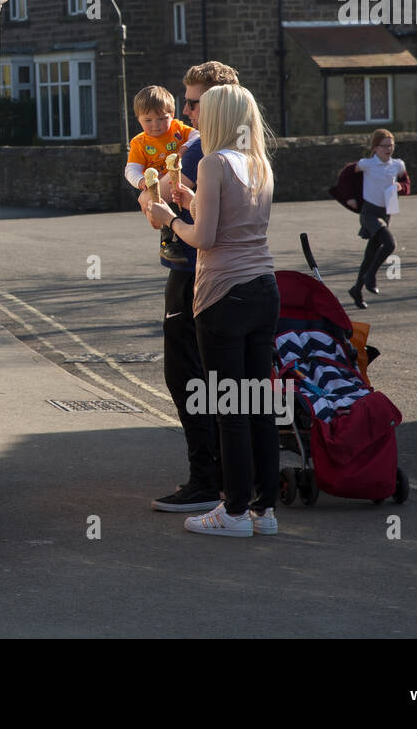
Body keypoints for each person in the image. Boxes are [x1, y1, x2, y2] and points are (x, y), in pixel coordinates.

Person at [148, 84, 279, 537]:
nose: (194, 115)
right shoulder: (258, 163)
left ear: (219, 115)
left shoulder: (212, 162)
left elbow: (203, 238)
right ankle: (265, 509)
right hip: (264, 286)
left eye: (202, 108)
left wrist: (169, 217)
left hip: (223, 292)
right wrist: (188, 202)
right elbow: (230, 219)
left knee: (229, 404)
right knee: (258, 402)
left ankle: (234, 511)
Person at [142, 61, 239, 513]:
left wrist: (161, 208)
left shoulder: (203, 154)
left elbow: (157, 202)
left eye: (193, 102)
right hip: (233, 278)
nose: (184, 110)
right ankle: (232, 483)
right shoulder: (244, 150)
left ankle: (206, 481)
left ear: (216, 103)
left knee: (187, 377)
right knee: (224, 380)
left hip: (193, 276)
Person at [124, 85, 193, 263]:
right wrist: (140, 182)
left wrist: (186, 146)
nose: (155, 125)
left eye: (162, 118)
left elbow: (199, 136)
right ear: (138, 119)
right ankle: (167, 243)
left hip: (178, 183)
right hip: (156, 186)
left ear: (172, 113)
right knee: (163, 215)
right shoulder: (139, 143)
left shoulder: (178, 129)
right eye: (148, 120)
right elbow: (131, 168)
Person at [346, 129, 406, 310]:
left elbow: (406, 182)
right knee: (390, 244)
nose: (389, 149)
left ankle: (356, 290)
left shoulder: (398, 165)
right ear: (375, 147)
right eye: (385, 146)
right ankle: (370, 277)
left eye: (391, 145)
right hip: (369, 213)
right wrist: (349, 196)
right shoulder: (366, 164)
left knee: (370, 254)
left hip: (385, 213)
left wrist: (400, 187)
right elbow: (346, 175)